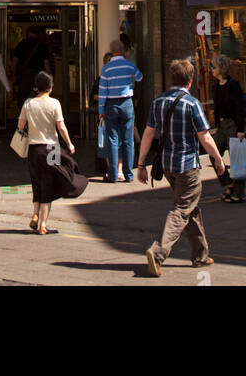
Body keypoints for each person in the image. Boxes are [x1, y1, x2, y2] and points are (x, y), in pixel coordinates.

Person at [137, 57, 226, 275]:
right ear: (190, 80)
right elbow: (204, 137)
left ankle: (200, 255)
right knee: (181, 209)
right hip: (187, 165)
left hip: (167, 165)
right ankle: (157, 252)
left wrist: (141, 163)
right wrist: (218, 159)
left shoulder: (158, 102)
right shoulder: (192, 103)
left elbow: (148, 134)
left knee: (188, 207)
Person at [17, 71, 87, 235]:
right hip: (51, 148)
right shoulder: (54, 103)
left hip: (34, 149)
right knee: (48, 184)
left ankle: (35, 214)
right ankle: (43, 225)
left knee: (36, 182)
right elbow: (61, 127)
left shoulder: (28, 103)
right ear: (50, 87)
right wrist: (69, 143)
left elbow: (20, 126)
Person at [97, 37, 144, 183]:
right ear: (122, 50)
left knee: (112, 139)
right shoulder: (128, 65)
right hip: (126, 103)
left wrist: (101, 110)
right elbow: (140, 77)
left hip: (111, 104)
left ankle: (113, 174)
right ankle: (128, 174)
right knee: (128, 139)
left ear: (112, 52)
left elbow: (103, 90)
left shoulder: (106, 68)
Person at [211, 55, 246, 202]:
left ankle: (238, 193)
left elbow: (239, 107)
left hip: (233, 124)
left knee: (237, 159)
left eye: (213, 67)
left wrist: (241, 129)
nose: (211, 69)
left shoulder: (233, 84)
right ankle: (228, 183)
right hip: (221, 125)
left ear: (221, 68)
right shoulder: (216, 85)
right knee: (214, 155)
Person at [11, 25, 52, 104]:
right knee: (38, 98)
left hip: (25, 75)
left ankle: (25, 114)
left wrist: (13, 74)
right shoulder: (42, 46)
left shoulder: (22, 44)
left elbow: (15, 61)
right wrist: (49, 77)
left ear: (28, 33)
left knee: (24, 97)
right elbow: (46, 64)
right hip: (39, 75)